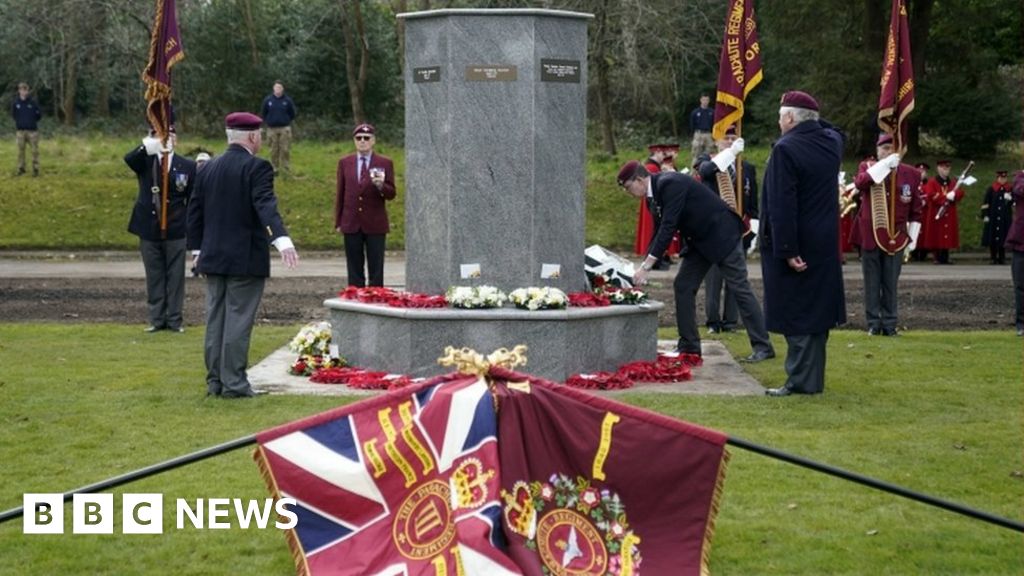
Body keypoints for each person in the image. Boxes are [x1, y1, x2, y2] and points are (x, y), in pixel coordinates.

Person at [187, 112, 299, 398]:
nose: (260, 138)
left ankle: (215, 381)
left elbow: (195, 212)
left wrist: (197, 250)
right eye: (259, 134)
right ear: (252, 137)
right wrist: (282, 239)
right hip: (244, 258)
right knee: (237, 321)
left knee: (216, 321)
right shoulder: (257, 167)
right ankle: (234, 383)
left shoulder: (207, 168)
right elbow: (265, 204)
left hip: (212, 256)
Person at [618, 160, 774, 363]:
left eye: (629, 187)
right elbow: (657, 232)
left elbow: (669, 226)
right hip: (699, 241)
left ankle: (763, 346)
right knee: (683, 285)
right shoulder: (651, 197)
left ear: (639, 179)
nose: (629, 193)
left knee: (739, 288)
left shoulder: (669, 183)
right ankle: (689, 345)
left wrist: (647, 267)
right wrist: (644, 264)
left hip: (722, 234)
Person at [759, 90, 846, 397]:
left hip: (796, 241)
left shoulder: (786, 149)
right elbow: (836, 129)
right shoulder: (831, 142)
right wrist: (815, 120)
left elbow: (782, 204)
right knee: (816, 312)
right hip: (824, 239)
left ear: (791, 118)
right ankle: (809, 379)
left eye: (782, 115)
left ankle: (800, 381)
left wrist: (787, 249)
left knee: (797, 313)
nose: (779, 121)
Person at [851, 133, 924, 336]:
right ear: (877, 150)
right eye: (884, 148)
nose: (887, 151)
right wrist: (885, 165)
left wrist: (913, 237)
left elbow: (916, 209)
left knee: (891, 282)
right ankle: (873, 323)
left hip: (896, 236)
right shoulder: (868, 168)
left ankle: (890, 324)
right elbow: (861, 183)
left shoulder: (911, 174)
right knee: (872, 282)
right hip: (871, 235)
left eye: (891, 148)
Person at [125, 126, 195, 333]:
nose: (166, 139)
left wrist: (191, 228)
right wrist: (148, 146)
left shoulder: (187, 165)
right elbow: (129, 159)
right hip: (149, 227)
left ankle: (175, 320)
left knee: (175, 277)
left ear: (177, 139)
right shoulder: (146, 161)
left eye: (170, 135)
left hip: (176, 227)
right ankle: (156, 319)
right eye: (161, 135)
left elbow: (192, 199)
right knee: (154, 275)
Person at [699, 125, 759, 334]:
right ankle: (713, 321)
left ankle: (731, 321)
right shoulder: (707, 162)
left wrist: (754, 228)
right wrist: (729, 153)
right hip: (714, 232)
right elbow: (705, 172)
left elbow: (752, 201)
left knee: (737, 280)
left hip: (738, 231)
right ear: (716, 140)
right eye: (725, 138)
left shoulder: (746, 168)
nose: (729, 141)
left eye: (733, 137)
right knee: (714, 280)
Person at [335, 123, 397, 287]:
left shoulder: (385, 162)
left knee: (376, 267)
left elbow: (391, 194)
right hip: (351, 221)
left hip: (375, 222)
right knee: (354, 267)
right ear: (354, 141)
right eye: (359, 138)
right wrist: (339, 221)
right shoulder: (345, 162)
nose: (362, 141)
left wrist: (381, 186)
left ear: (373, 141)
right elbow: (340, 193)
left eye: (366, 138)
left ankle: (376, 298)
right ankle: (355, 298)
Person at [635, 144, 680, 269]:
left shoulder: (654, 167)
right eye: (663, 153)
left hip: (655, 203)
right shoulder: (651, 168)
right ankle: (655, 259)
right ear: (657, 152)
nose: (664, 156)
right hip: (654, 204)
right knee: (655, 232)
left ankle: (659, 257)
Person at [921, 159, 963, 264]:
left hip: (949, 212)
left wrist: (955, 195)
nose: (946, 170)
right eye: (944, 168)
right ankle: (937, 256)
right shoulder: (932, 181)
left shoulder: (952, 182)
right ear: (938, 168)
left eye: (948, 168)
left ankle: (946, 255)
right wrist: (945, 197)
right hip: (937, 211)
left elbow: (960, 192)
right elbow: (931, 195)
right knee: (937, 234)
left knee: (947, 233)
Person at [260, 81, 296, 175]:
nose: (278, 89)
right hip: (271, 129)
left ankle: (285, 168)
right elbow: (263, 113)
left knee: (285, 149)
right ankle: (274, 168)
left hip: (284, 128)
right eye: (276, 87)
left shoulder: (287, 101)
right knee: (273, 149)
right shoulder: (268, 100)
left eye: (280, 87)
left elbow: (292, 113)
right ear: (273, 88)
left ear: (282, 89)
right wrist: (268, 121)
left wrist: (286, 120)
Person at [1005, 170, 1024, 336]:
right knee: (1020, 285)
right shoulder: (1020, 177)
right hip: (1021, 243)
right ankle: (1021, 323)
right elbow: (1019, 189)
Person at [981, 170, 1013, 265]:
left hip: (1004, 218)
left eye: (1004, 178)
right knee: (993, 237)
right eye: (1001, 178)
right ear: (997, 178)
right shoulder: (991, 189)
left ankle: (1002, 257)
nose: (1003, 180)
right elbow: (986, 203)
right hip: (993, 217)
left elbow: (1014, 202)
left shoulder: (1009, 189)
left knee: (1003, 237)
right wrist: (985, 215)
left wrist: (1011, 199)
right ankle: (993, 257)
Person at [11, 82, 41, 177]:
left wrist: (31, 122)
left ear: (28, 91)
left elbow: (39, 115)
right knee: (21, 151)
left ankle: (35, 169)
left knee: (34, 151)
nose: (23, 92)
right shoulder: (16, 103)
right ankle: (21, 168)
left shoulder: (33, 103)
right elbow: (14, 115)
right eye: (21, 90)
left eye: (25, 90)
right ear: (19, 91)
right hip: (20, 131)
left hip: (32, 131)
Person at [909, 162, 931, 261]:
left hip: (925, 212)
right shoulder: (912, 183)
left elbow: (930, 195)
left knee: (923, 233)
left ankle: (923, 252)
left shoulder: (928, 184)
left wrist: (924, 200)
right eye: (919, 171)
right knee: (913, 231)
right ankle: (912, 252)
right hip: (914, 211)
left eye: (923, 172)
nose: (921, 173)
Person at [689, 94, 715, 163]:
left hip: (708, 134)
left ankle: (706, 171)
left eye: (707, 100)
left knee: (709, 154)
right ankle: (693, 173)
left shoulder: (712, 112)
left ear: (709, 101)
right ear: (700, 100)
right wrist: (693, 135)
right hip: (698, 134)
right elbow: (692, 124)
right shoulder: (695, 112)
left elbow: (714, 124)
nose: (705, 102)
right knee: (696, 155)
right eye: (703, 100)